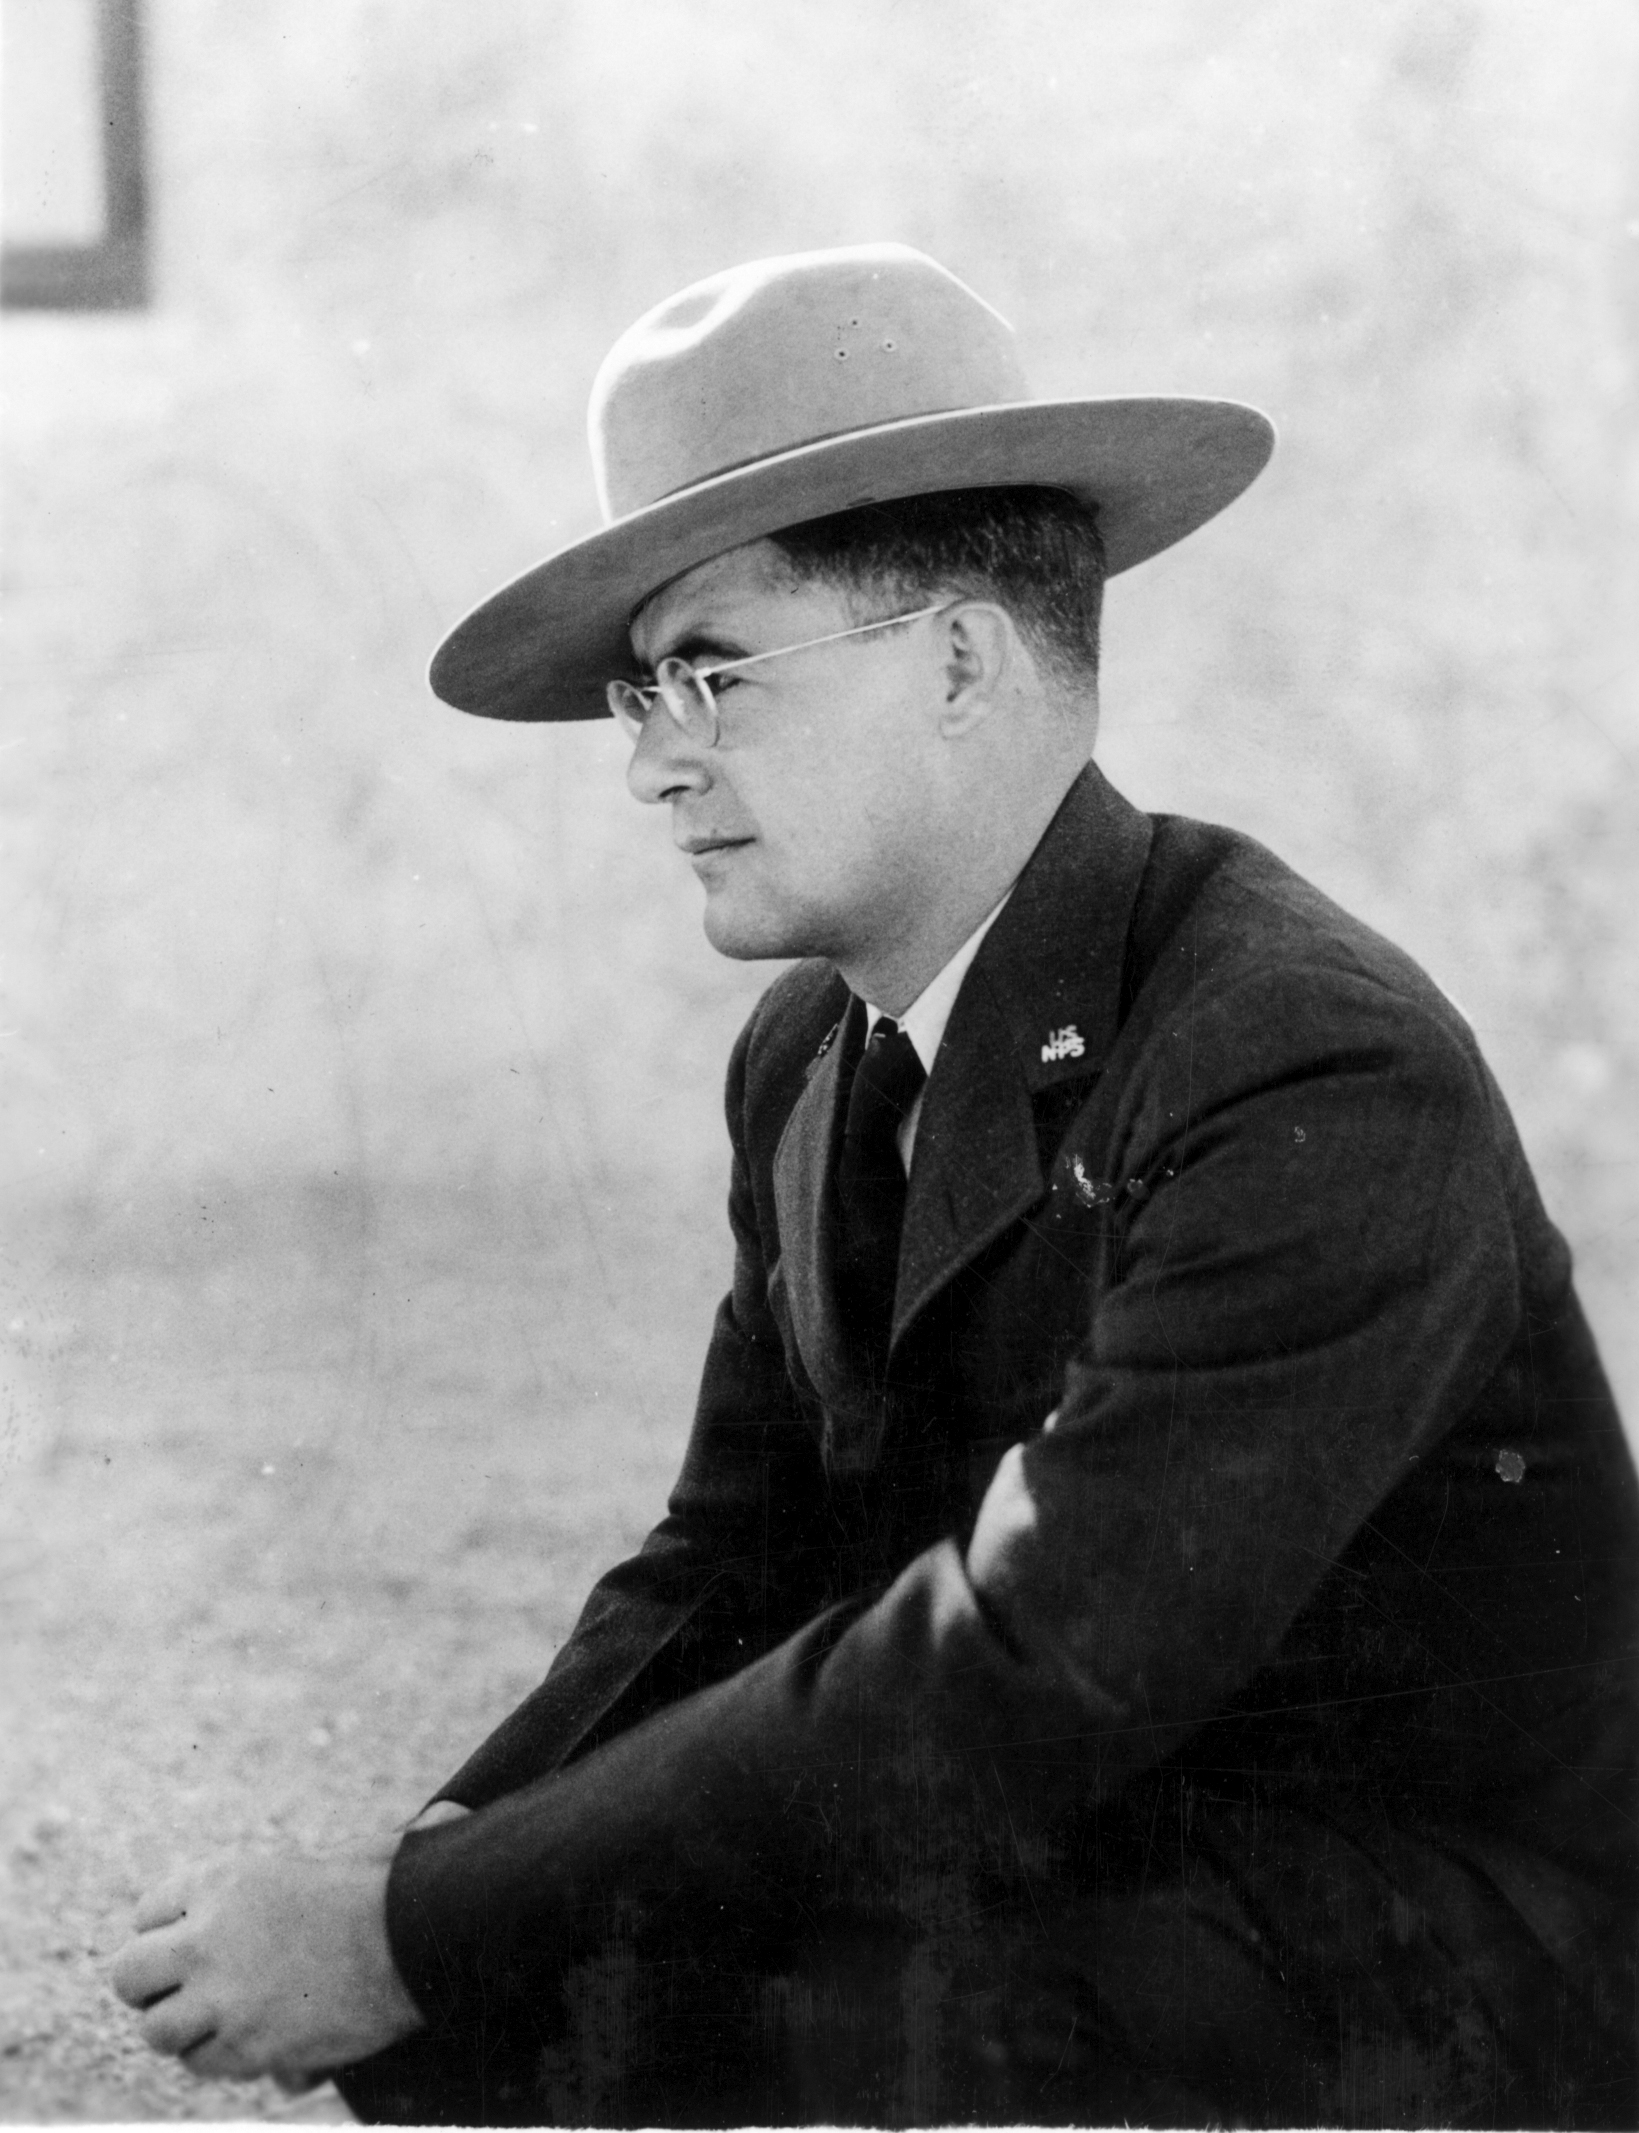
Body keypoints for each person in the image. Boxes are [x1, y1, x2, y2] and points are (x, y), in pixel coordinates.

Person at [113, 244, 1637, 2127]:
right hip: (1118, 1849)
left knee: (744, 2011)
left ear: (958, 661)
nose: (653, 766)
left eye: (708, 671)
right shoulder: (818, 1056)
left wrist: (425, 1932)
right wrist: (436, 1860)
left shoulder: (1306, 1057)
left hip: (1461, 1957)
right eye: (632, 695)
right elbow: (723, 1558)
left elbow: (1029, 1666)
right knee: (531, 2001)